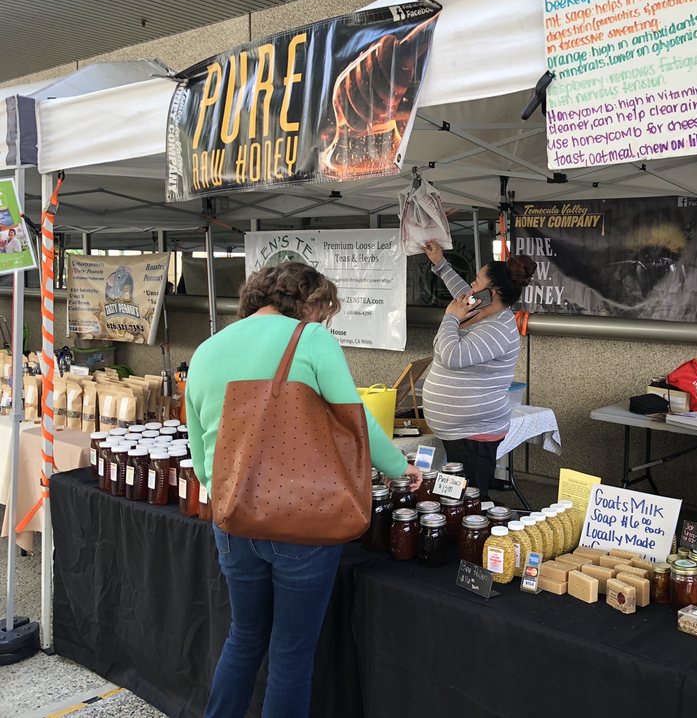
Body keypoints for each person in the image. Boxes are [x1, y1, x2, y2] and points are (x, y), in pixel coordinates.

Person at [185, 262, 421, 718]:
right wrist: (398, 467)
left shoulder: (206, 350)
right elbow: (357, 422)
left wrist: (229, 497)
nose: (322, 322)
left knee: (244, 636)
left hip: (233, 522)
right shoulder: (309, 339)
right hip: (302, 522)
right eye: (322, 311)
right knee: (291, 654)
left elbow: (200, 457)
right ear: (307, 303)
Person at [421, 240, 537, 501]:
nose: (471, 286)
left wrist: (451, 317)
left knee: (468, 500)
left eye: (476, 281)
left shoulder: (498, 328)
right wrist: (439, 262)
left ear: (492, 292)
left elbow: (452, 356)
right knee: (457, 497)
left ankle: (475, 541)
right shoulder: (481, 307)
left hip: (474, 433)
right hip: (461, 431)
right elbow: (462, 291)